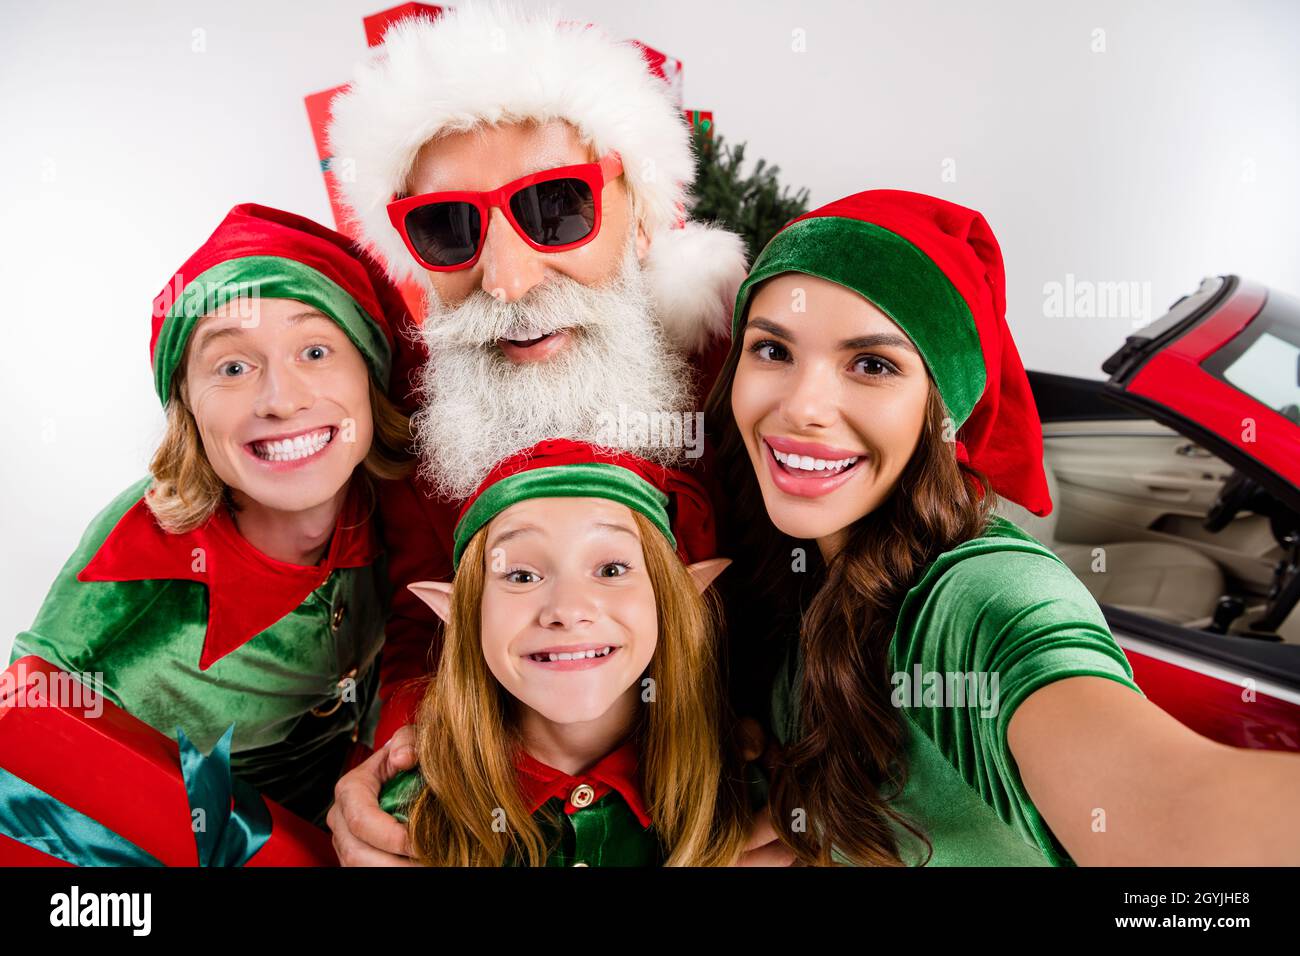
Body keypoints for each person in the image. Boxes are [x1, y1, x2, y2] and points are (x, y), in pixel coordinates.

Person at [706, 188, 1300, 865]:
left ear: (942, 412)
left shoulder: (981, 598)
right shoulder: (785, 555)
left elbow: (1176, 804)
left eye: (872, 365)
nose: (802, 406)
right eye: (773, 350)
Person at [323, 3, 758, 860]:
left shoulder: (741, 376)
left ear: (640, 213)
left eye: (556, 208)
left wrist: (787, 768)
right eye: (449, 228)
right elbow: (418, 622)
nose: (508, 280)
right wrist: (407, 754)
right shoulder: (422, 418)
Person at [9, 203, 420, 826]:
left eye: (315, 351)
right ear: (189, 410)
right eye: (232, 367)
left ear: (371, 373)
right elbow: (29, 703)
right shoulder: (143, 537)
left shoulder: (396, 509)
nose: (281, 400)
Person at [378, 439, 750, 866]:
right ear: (460, 612)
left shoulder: (742, 796)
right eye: (521, 576)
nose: (567, 611)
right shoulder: (408, 818)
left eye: (611, 569)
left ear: (676, 598)